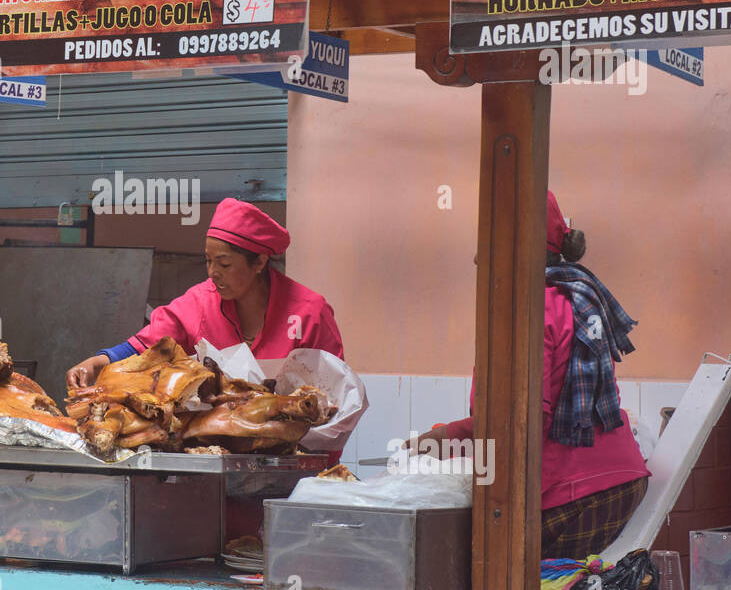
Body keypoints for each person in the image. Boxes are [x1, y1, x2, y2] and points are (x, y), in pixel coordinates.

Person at [412, 191, 649, 559]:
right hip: (617, 483)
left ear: (512, 248)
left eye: (487, 245)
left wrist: (443, 438)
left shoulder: (524, 310)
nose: (477, 259)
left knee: (486, 577)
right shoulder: (571, 295)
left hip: (574, 498)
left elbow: (519, 420)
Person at [66, 197, 345, 388]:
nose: (213, 272)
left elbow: (333, 395)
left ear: (259, 262)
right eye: (208, 261)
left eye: (224, 264)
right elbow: (146, 346)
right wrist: (97, 363)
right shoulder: (200, 303)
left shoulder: (309, 313)